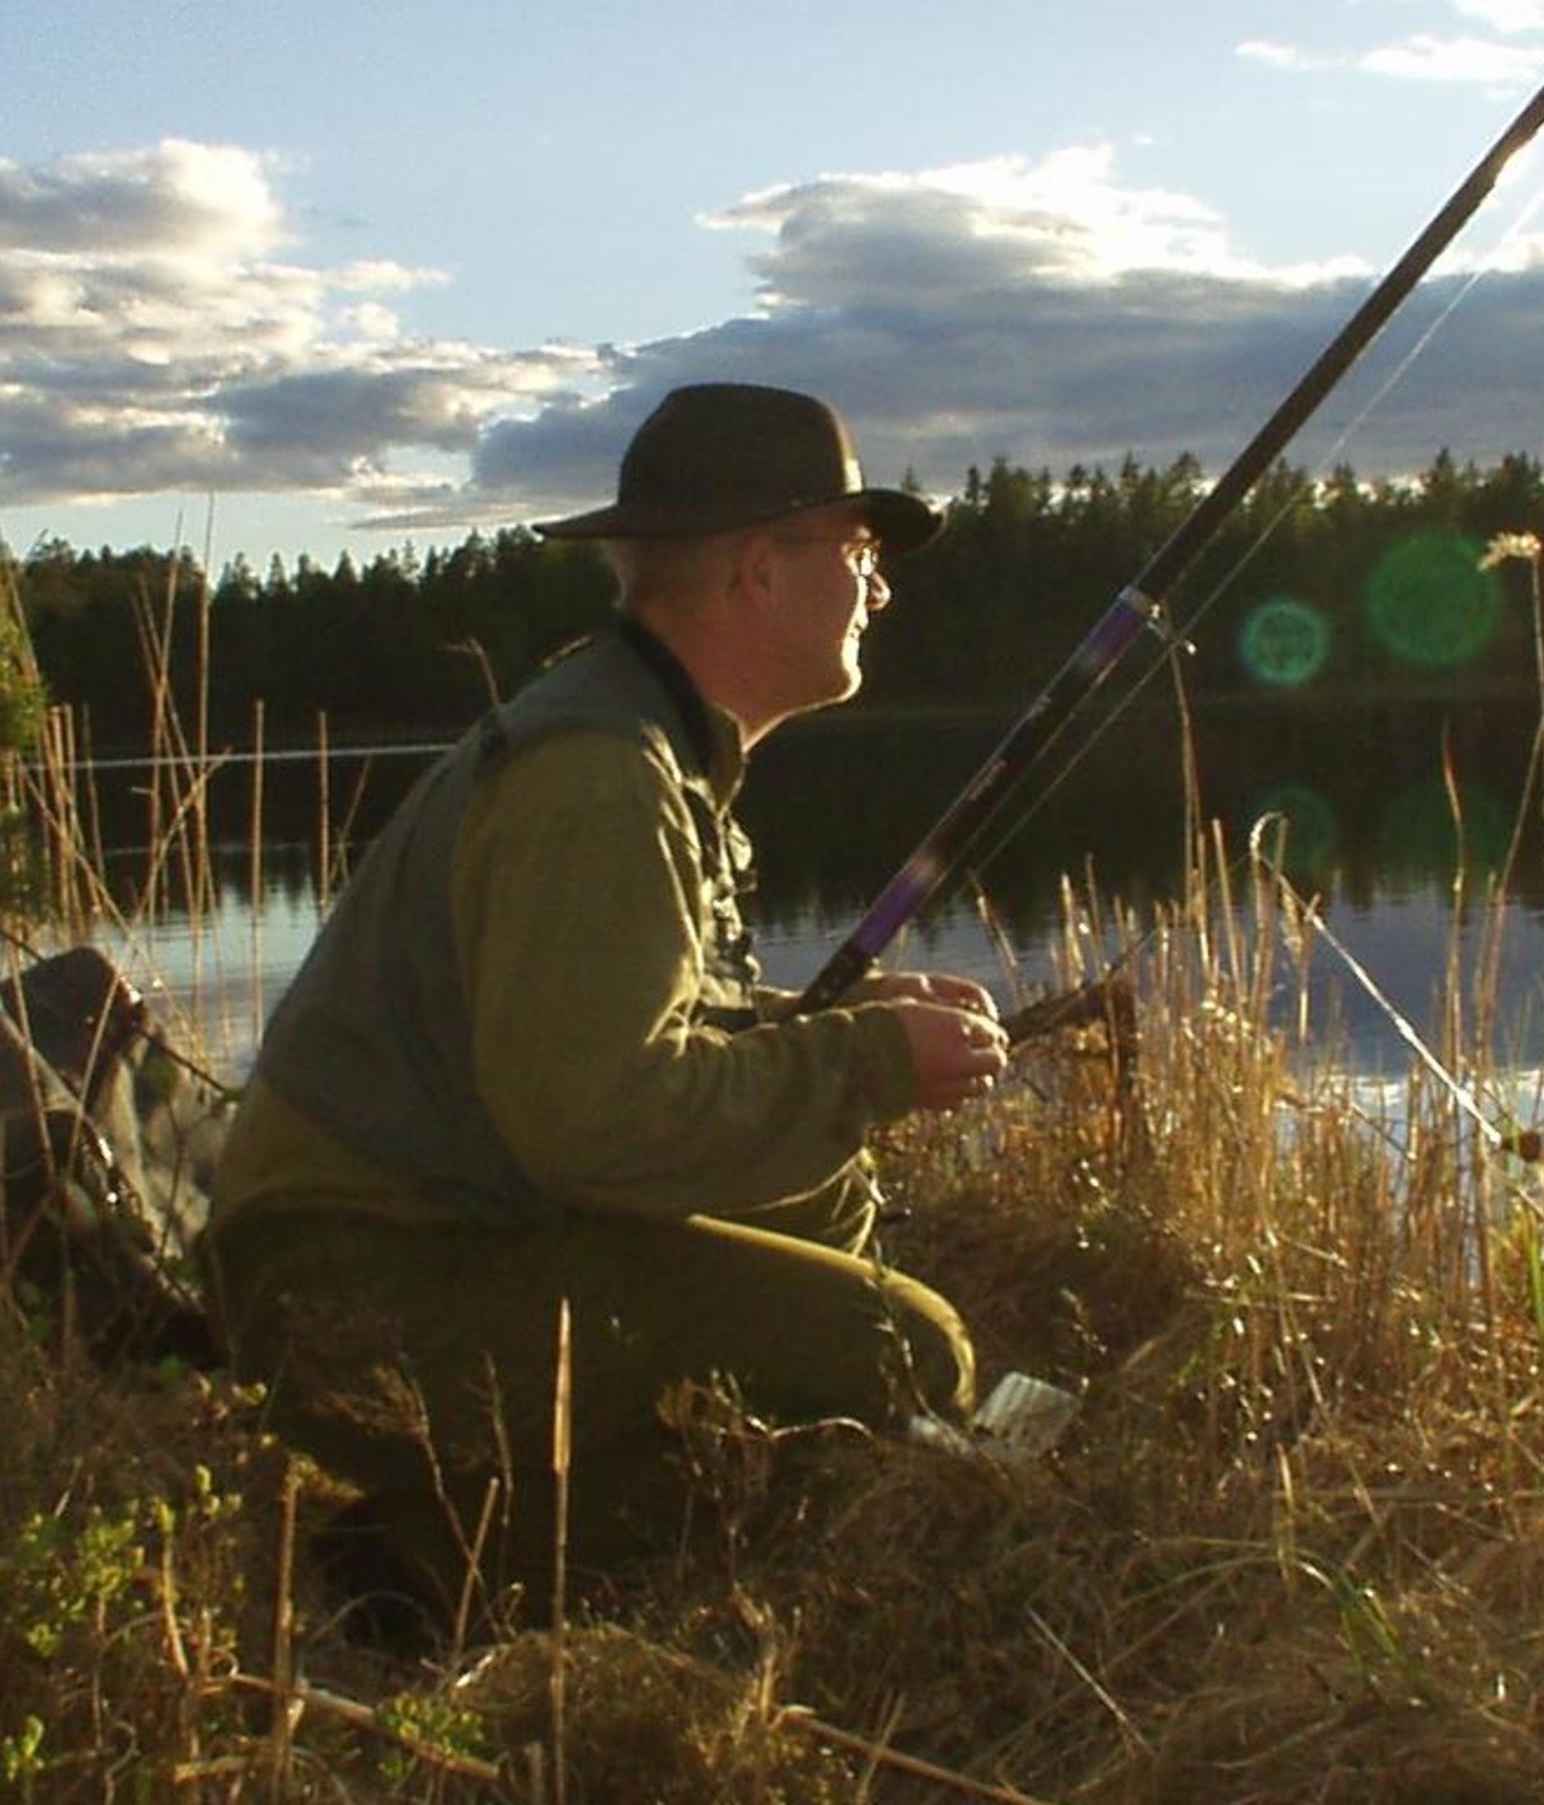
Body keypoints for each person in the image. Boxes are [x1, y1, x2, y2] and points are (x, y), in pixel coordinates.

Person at [200, 382, 1007, 1620]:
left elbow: (615, 1031)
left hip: (433, 1235)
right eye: (853, 549)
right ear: (757, 571)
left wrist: (827, 1027)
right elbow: (594, 1121)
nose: (876, 585)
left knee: (823, 1193)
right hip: (356, 1299)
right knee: (903, 1348)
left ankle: (634, 1491)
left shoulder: (640, 737)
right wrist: (863, 1064)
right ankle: (434, 1555)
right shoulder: (600, 778)